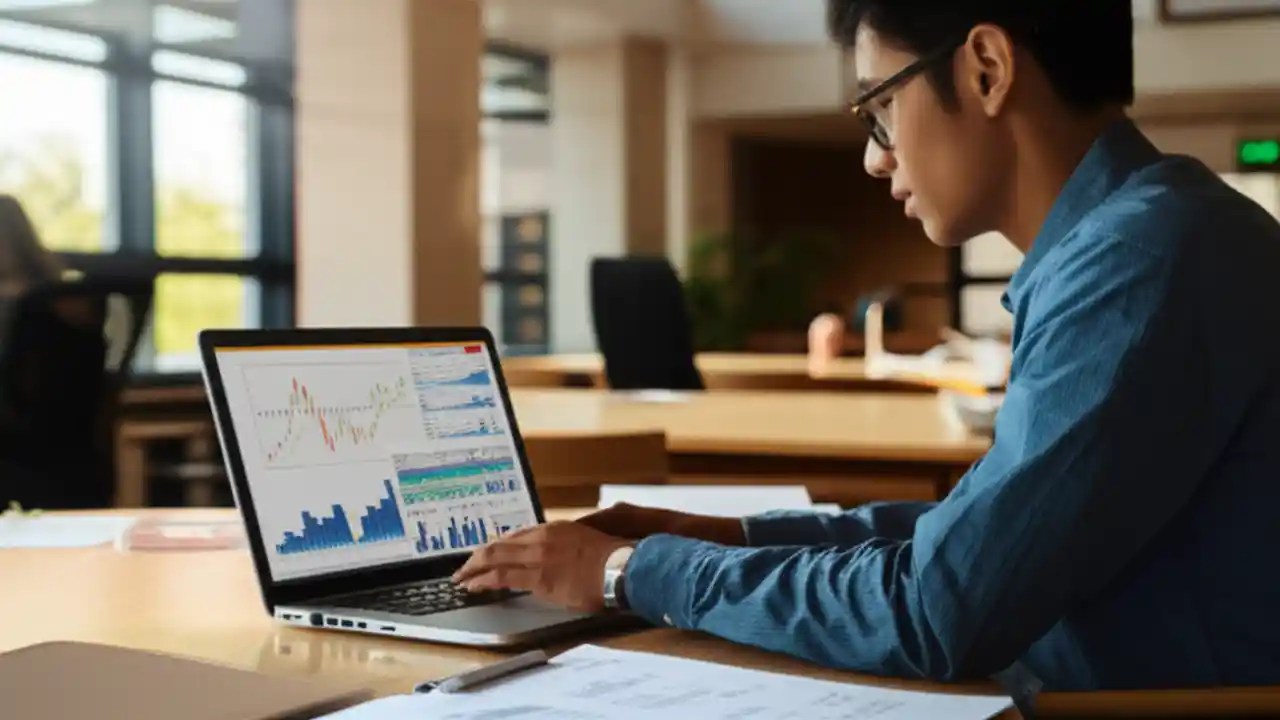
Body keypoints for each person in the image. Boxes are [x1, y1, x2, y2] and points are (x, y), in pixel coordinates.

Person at [455, 0, 1280, 691]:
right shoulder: (1157, 234)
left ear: (987, 68)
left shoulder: (1139, 263)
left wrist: (629, 573)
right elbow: (971, 544)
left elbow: (938, 610)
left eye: (879, 106)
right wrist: (729, 538)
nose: (874, 156)